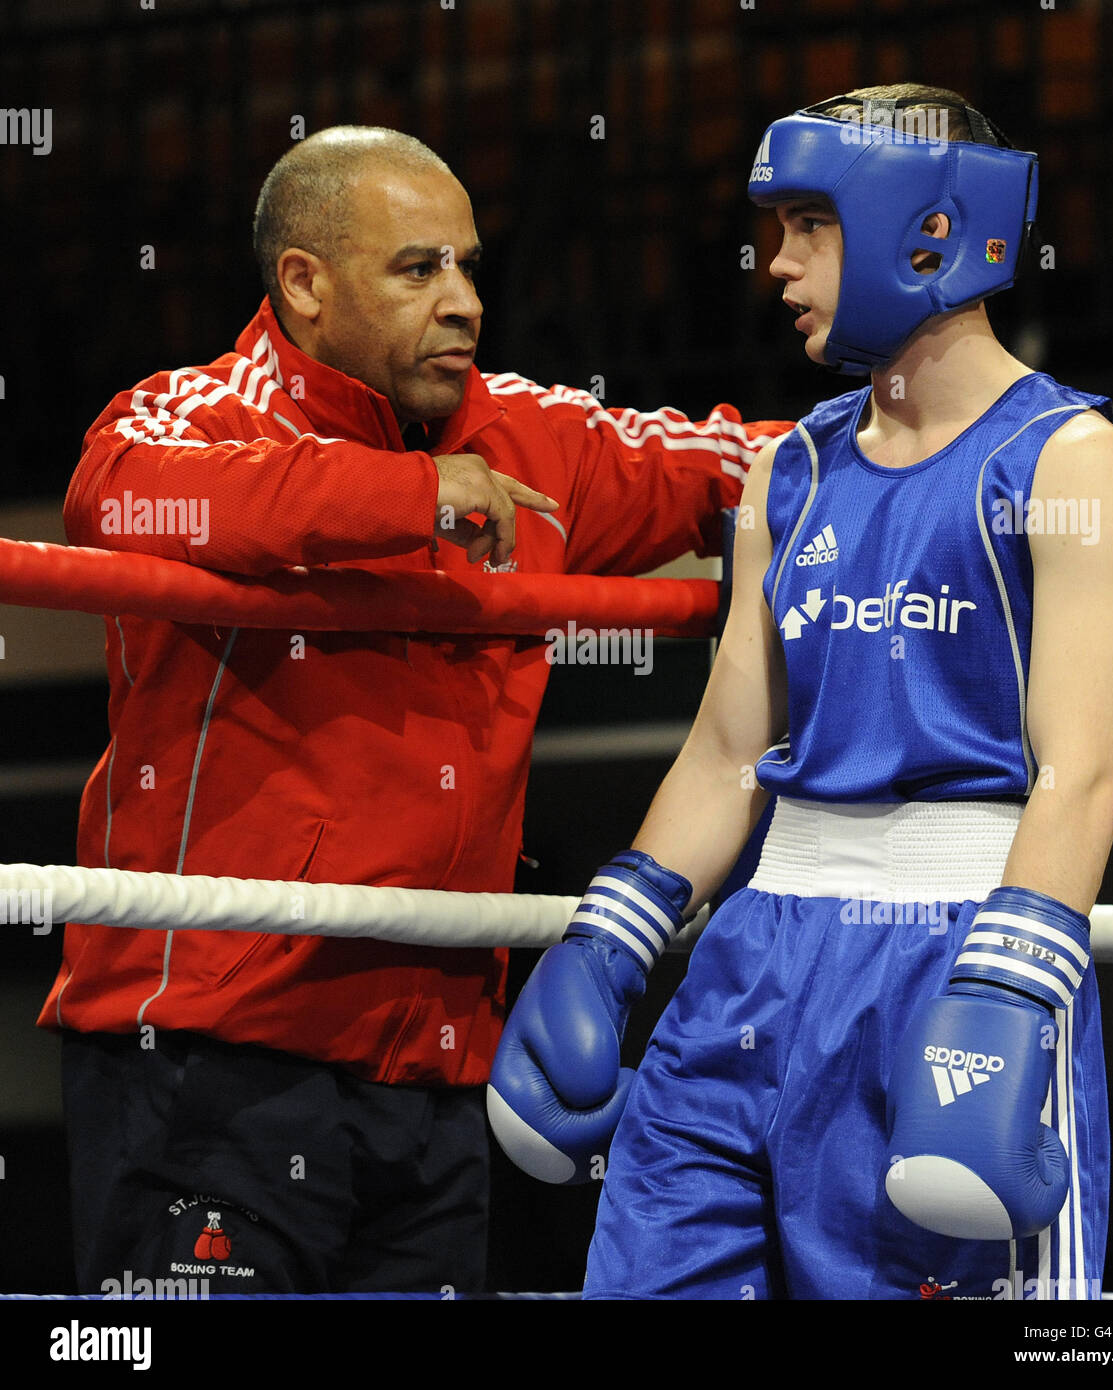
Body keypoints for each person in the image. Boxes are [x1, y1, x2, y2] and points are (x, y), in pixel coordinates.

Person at [37, 125, 787, 1296]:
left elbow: (739, 465)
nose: (463, 303)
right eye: (418, 268)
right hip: (207, 1056)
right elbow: (113, 496)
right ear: (304, 282)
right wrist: (409, 495)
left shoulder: (531, 439)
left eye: (470, 267)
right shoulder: (194, 416)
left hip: (438, 1070)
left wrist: (972, 444)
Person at [488, 85, 1113, 1300]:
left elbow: (1087, 768)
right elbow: (726, 749)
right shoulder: (785, 472)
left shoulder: (1070, 463)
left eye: (809, 224)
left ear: (925, 227)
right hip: (750, 956)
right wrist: (611, 938)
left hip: (958, 951)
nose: (775, 264)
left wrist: (1006, 990)